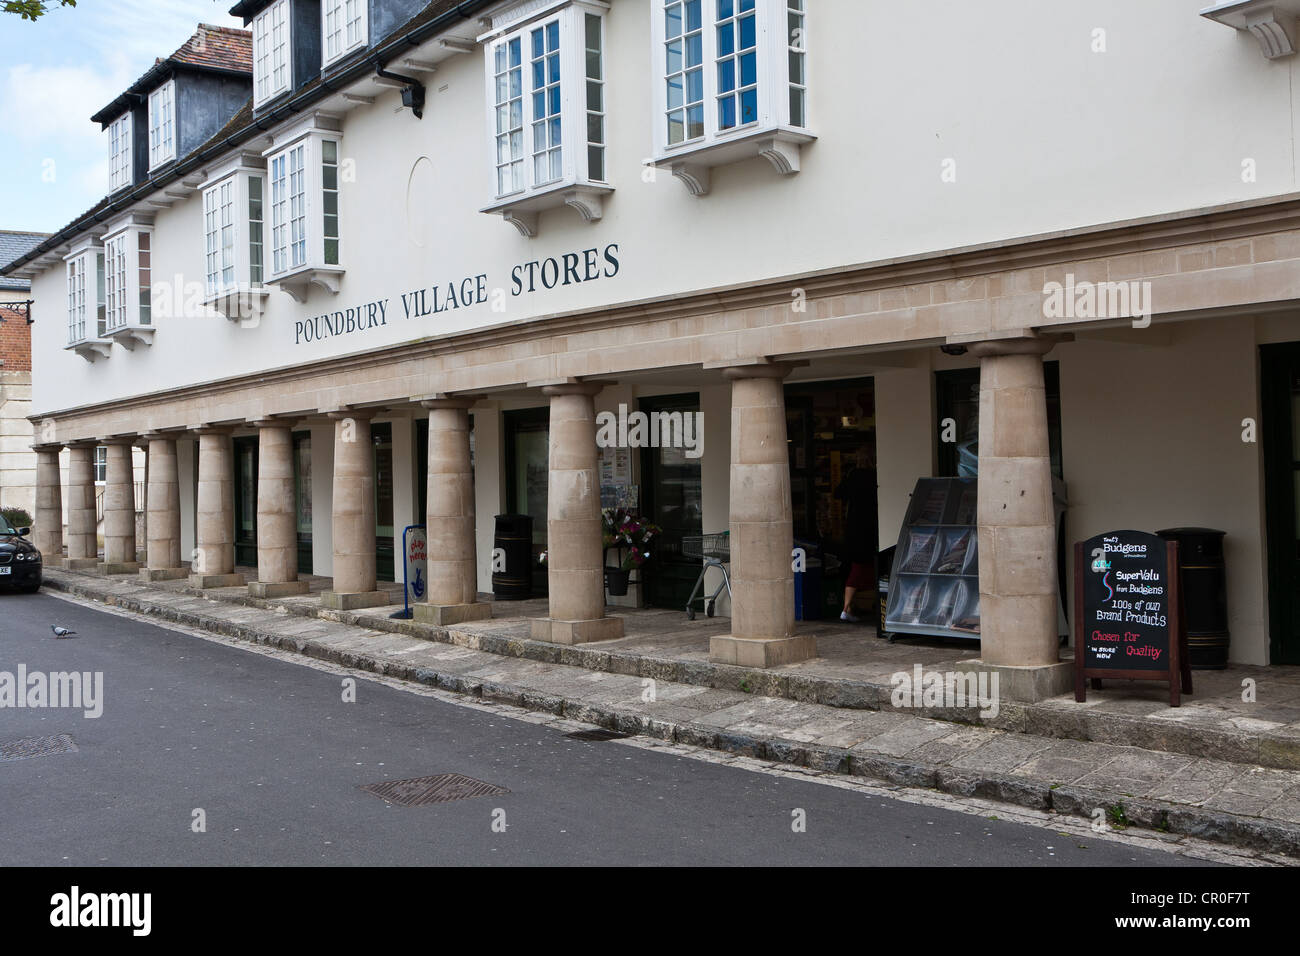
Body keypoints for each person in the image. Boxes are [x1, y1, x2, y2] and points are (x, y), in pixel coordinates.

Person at [835, 448, 877, 623]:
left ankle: (849, 607)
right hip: (871, 526)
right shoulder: (874, 475)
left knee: (857, 567)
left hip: (854, 527)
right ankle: (849, 607)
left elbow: (838, 494)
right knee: (867, 567)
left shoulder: (852, 476)